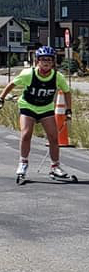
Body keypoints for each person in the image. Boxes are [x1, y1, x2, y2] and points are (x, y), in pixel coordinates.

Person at [0, 46, 73, 178]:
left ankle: (55, 166)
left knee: (53, 137)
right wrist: (2, 98)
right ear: (37, 61)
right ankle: (23, 162)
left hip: (46, 108)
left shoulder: (58, 77)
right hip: (28, 106)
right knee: (26, 134)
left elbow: (67, 92)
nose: (46, 62)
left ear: (53, 62)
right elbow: (12, 84)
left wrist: (68, 110)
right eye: (43, 59)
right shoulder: (28, 74)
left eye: (49, 60)